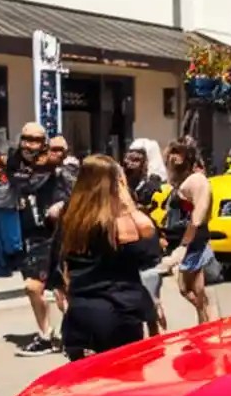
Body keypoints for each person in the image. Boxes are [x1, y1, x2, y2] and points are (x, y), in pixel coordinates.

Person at [59, 155, 161, 361]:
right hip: (118, 315)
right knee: (122, 385)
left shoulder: (70, 216)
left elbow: (59, 267)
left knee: (84, 386)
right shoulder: (117, 222)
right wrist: (130, 205)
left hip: (79, 316)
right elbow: (149, 250)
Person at [9, 122, 73, 356]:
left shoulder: (62, 169)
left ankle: (53, 334)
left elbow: (77, 195)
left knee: (42, 287)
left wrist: (62, 205)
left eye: (36, 140)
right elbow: (20, 182)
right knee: (46, 289)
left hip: (56, 236)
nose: (29, 144)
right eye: (26, 138)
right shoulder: (17, 164)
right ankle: (52, 333)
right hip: (30, 235)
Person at [160, 138, 215, 325]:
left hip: (193, 239)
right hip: (190, 239)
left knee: (188, 288)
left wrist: (184, 245)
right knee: (194, 289)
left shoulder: (197, 180)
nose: (173, 158)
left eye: (178, 153)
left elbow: (198, 216)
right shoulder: (185, 180)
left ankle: (208, 322)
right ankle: (206, 322)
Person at [124, 140, 169, 335]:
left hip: (148, 248)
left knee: (152, 302)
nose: (131, 163)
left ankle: (159, 338)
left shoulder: (152, 185)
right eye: (129, 157)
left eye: (137, 159)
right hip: (130, 248)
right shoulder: (123, 182)